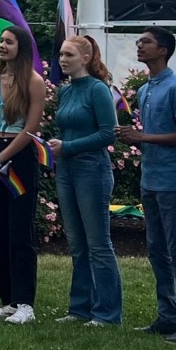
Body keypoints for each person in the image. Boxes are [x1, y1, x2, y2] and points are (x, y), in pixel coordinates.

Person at [116, 27, 176, 343]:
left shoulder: (175, 88)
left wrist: (142, 137)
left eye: (146, 42)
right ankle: (167, 316)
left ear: (163, 50)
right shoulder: (144, 90)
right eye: (138, 42)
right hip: (150, 180)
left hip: (171, 181)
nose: (139, 46)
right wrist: (132, 138)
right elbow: (152, 136)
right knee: (156, 249)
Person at [50, 35, 122, 327]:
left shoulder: (98, 90)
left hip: (92, 170)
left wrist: (67, 147)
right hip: (66, 170)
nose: (62, 59)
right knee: (77, 243)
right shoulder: (66, 91)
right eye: (61, 55)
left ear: (85, 58)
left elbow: (108, 133)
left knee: (98, 243)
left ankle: (108, 312)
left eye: (68, 55)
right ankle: (80, 307)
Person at [0, 26, 48, 325]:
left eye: (9, 42)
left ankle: (25, 302)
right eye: (1, 42)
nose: (2, 46)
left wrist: (0, 159)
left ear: (22, 47)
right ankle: (6, 299)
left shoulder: (34, 82)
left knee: (20, 230)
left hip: (18, 156)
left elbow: (30, 129)